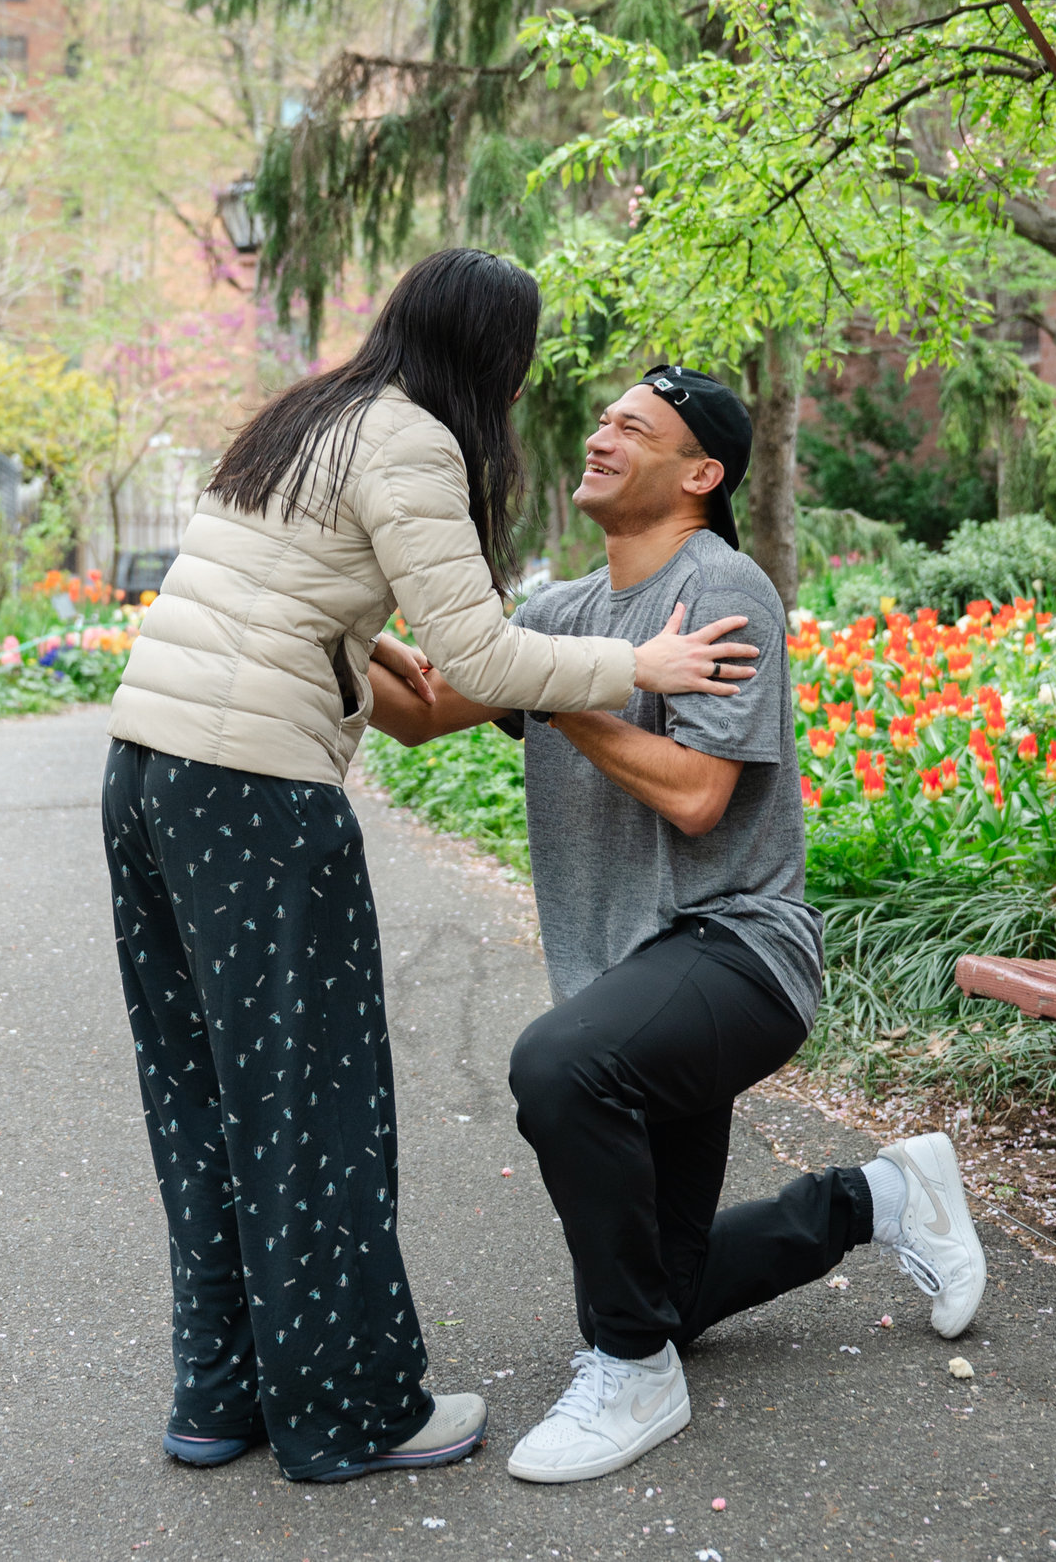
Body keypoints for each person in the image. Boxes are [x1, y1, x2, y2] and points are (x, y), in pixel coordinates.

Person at [101, 256, 761, 1486]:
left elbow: (297, 594)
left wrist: (365, 639)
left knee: (204, 1099)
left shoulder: (309, 415)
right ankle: (349, 1414)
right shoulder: (411, 439)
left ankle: (222, 1393)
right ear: (490, 356)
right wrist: (640, 672)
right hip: (255, 793)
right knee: (313, 1106)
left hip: (149, 774)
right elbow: (484, 653)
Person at [368, 363, 987, 1487]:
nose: (600, 434)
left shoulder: (724, 586)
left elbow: (700, 794)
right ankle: (885, 1195)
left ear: (700, 472)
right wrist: (337, 597)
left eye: (632, 427)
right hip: (632, 979)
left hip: (738, 952)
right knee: (667, 1288)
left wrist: (558, 690)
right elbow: (419, 713)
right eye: (602, 418)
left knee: (556, 1071)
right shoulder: (562, 611)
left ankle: (633, 1376)